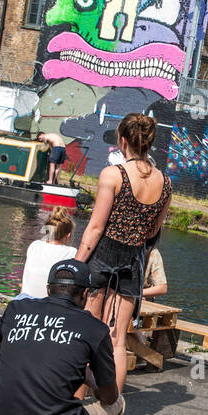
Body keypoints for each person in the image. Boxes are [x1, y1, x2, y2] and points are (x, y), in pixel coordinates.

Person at [0, 259, 123, 415]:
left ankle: (3, 406)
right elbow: (109, 396)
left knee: (0, 353)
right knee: (120, 403)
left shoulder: (17, 308)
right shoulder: (95, 329)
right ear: (85, 294)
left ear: (48, 289)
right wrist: (88, 379)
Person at [73, 114, 171, 389]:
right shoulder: (165, 183)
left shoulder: (112, 174)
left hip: (102, 256)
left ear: (123, 141)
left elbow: (94, 228)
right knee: (117, 339)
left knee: (86, 333)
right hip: (133, 261)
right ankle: (112, 405)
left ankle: (76, 403)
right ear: (149, 143)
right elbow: (153, 232)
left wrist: (76, 266)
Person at [19, 207, 77, 298]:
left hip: (23, 299)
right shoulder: (72, 252)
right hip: (48, 304)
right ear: (68, 234)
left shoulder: (34, 245)